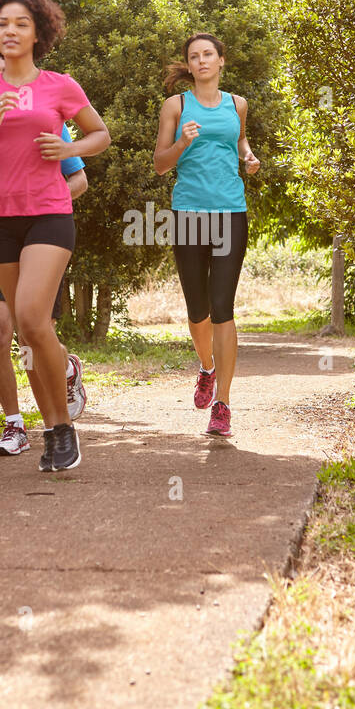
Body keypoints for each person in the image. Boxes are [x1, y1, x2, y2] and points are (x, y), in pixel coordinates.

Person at [0, 0, 110, 472]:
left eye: (21, 23)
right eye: (3, 23)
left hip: (48, 214)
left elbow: (100, 134)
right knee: (29, 332)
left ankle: (62, 429)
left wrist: (70, 150)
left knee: (28, 317)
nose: (11, 31)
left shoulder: (59, 86)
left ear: (38, 32)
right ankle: (56, 414)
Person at [153, 33, 260, 438]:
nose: (201, 61)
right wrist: (183, 140)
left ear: (220, 61)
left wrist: (248, 157)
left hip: (231, 211)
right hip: (189, 214)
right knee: (197, 309)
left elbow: (240, 141)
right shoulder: (175, 106)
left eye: (208, 55)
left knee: (222, 306)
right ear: (189, 65)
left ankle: (224, 405)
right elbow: (161, 164)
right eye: (194, 57)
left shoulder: (238, 105)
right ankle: (207, 368)